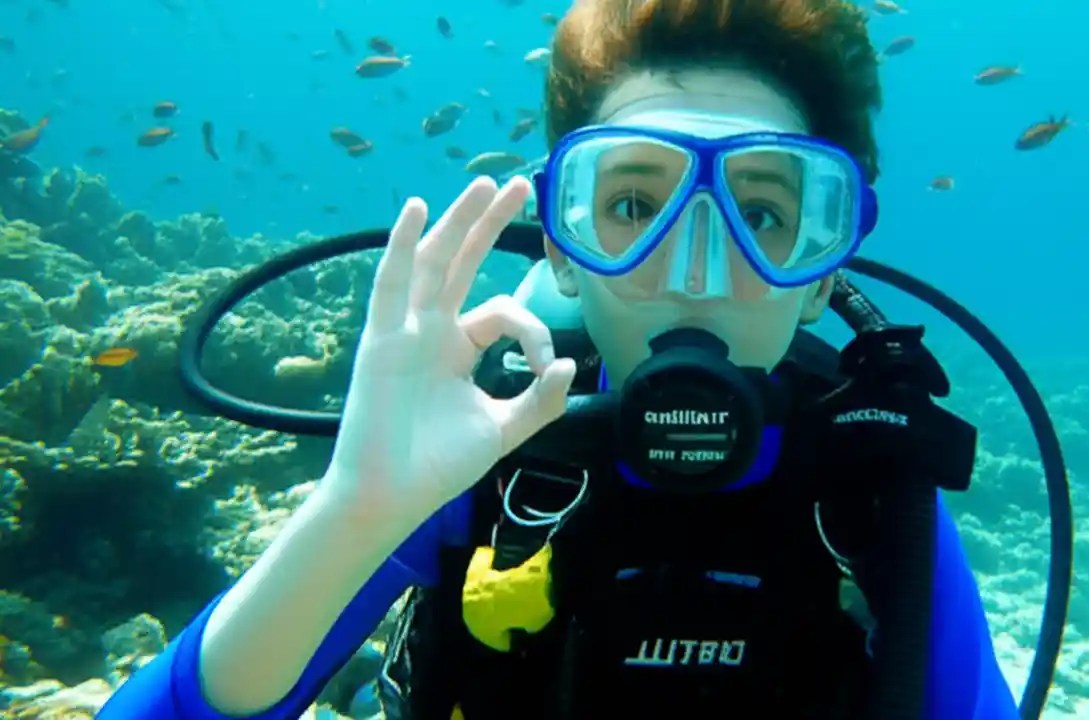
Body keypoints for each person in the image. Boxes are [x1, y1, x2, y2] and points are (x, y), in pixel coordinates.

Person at [99, 0, 1022, 718]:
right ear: (563, 249)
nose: (694, 276)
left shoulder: (871, 491)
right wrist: (356, 513)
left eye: (766, 216)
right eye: (631, 207)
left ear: (822, 277)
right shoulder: (484, 447)